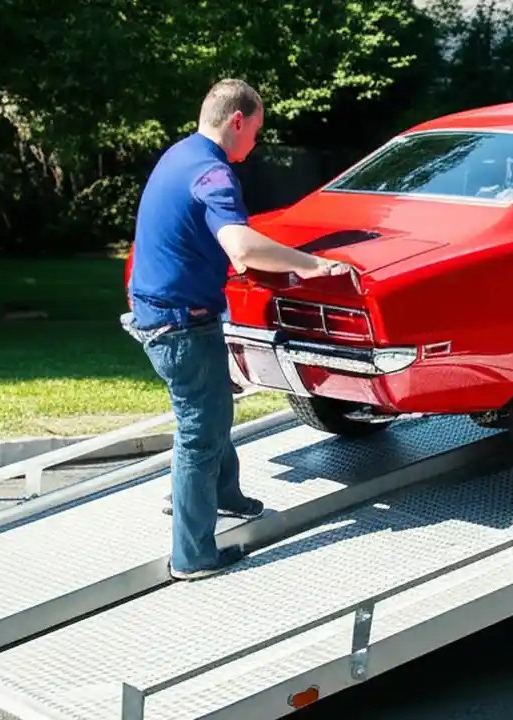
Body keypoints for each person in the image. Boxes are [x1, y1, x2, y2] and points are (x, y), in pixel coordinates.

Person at [125, 78, 352, 581]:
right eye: (257, 131)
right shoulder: (212, 175)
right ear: (237, 121)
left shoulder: (180, 155)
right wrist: (313, 266)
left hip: (162, 314)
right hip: (180, 325)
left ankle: (226, 497)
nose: (256, 142)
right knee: (199, 434)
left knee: (213, 410)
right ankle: (192, 557)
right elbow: (243, 248)